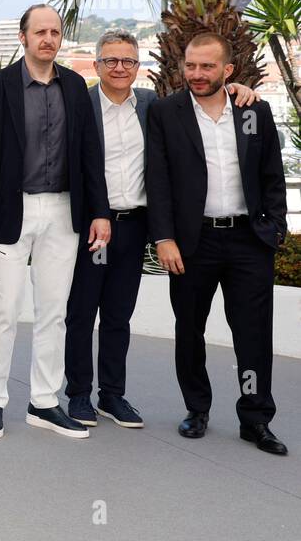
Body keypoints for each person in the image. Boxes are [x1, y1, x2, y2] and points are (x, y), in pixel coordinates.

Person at [64, 30, 259, 431]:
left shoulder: (152, 106)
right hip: (92, 228)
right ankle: (79, 393)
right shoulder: (80, 104)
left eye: (128, 61)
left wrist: (237, 86)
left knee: (119, 314)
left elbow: (200, 99)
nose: (120, 68)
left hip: (134, 226)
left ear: (139, 66)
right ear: (97, 65)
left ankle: (112, 395)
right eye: (111, 61)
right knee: (82, 314)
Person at [146, 32, 288, 455]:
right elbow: (158, 180)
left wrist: (274, 229)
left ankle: (256, 418)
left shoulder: (252, 111)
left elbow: (272, 176)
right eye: (191, 65)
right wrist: (164, 238)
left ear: (227, 70)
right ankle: (197, 408)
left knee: (253, 335)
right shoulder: (165, 112)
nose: (196, 74)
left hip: (249, 241)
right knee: (189, 331)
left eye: (207, 66)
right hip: (192, 242)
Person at [0, 4, 110, 440]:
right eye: (40, 32)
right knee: (3, 313)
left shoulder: (75, 87)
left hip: (63, 212)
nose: (48, 39)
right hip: (9, 213)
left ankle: (44, 402)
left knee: (54, 312)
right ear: (23, 37)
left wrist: (99, 212)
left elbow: (92, 153)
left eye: (55, 32)